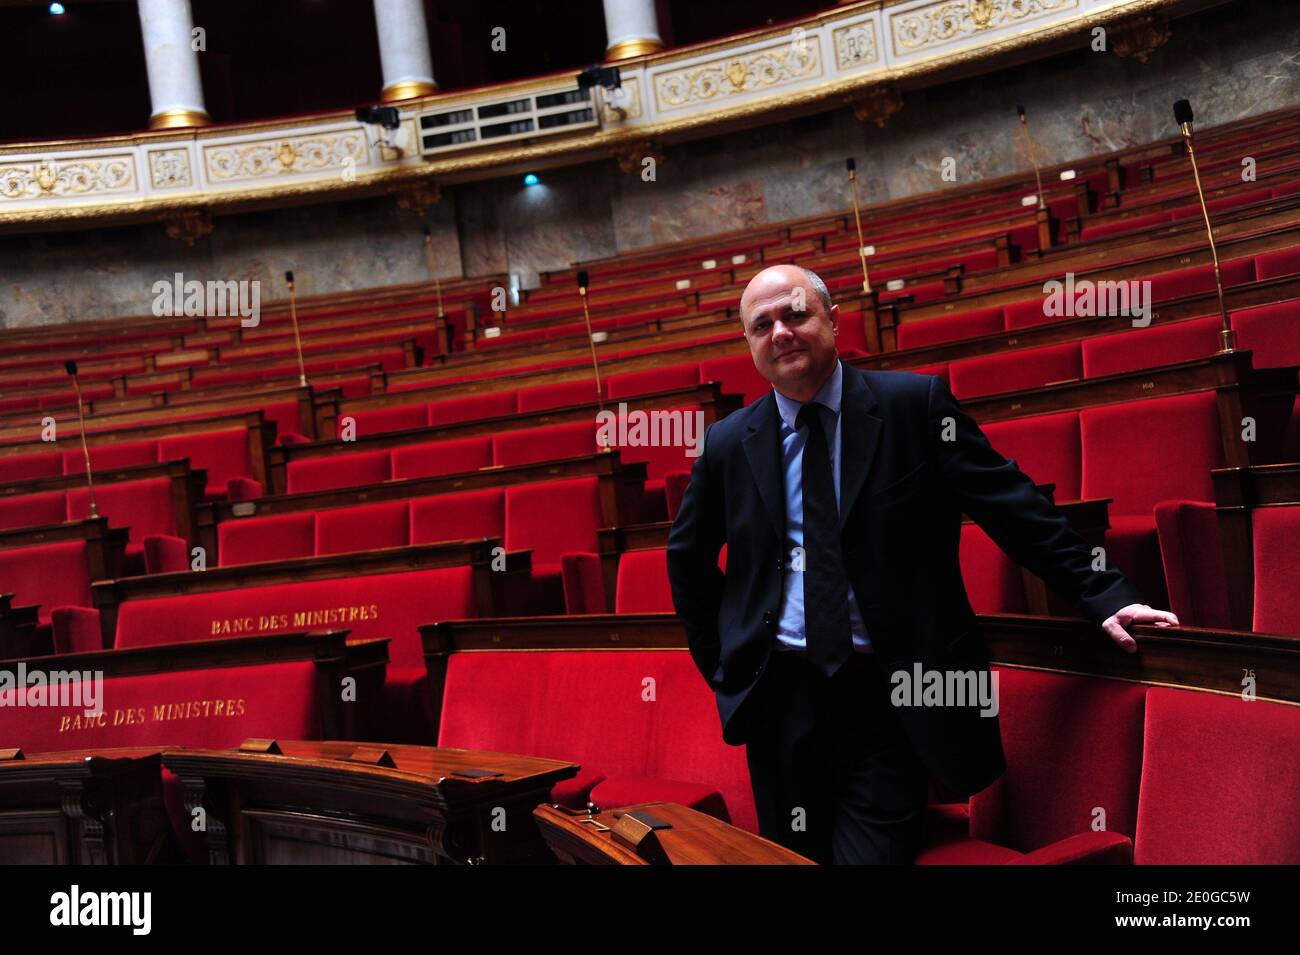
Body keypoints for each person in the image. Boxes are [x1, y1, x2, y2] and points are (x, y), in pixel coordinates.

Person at [665, 264, 1179, 865]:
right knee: (790, 857)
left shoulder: (914, 405)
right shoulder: (729, 442)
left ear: (833, 320)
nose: (780, 332)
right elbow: (688, 560)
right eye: (763, 324)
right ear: (749, 344)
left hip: (891, 693)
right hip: (780, 698)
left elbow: (1012, 507)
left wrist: (1104, 593)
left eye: (795, 314)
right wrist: (728, 666)